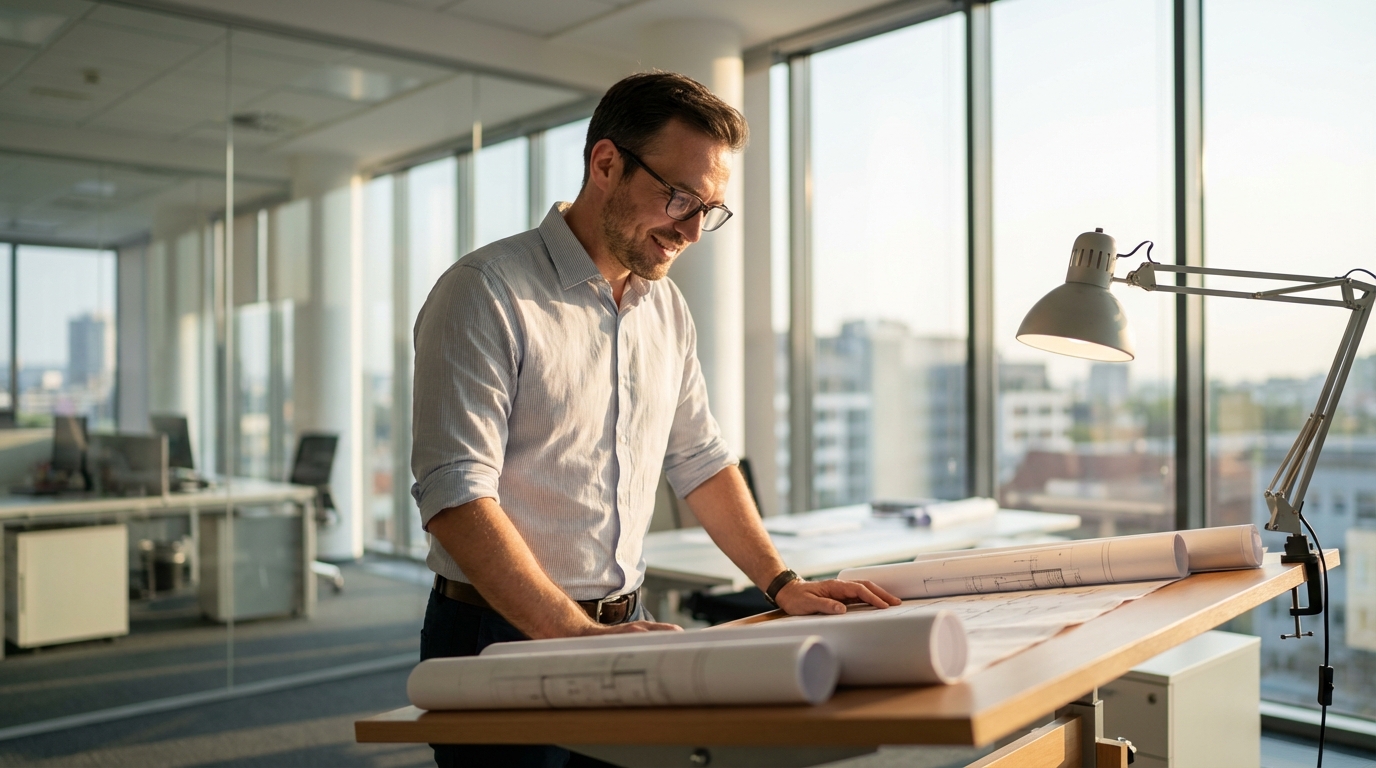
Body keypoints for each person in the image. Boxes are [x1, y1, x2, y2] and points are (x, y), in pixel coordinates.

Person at [410, 71, 900, 767]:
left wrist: (782, 582)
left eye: (711, 210)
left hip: (626, 625)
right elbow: (456, 496)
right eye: (680, 198)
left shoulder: (664, 309)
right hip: (499, 633)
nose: (694, 232)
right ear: (605, 164)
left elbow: (700, 460)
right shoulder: (486, 292)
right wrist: (570, 636)